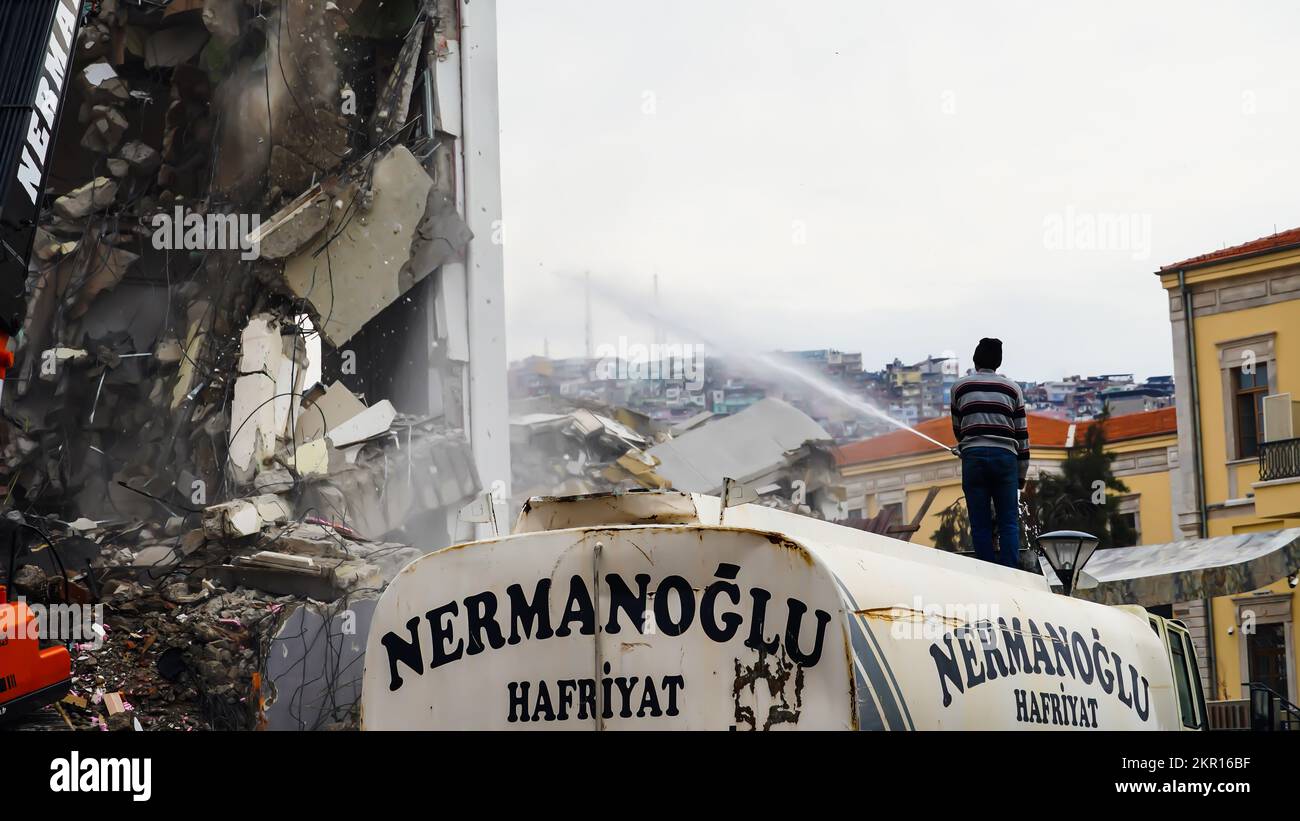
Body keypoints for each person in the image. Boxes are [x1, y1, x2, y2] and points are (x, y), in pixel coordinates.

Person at [950, 338, 1029, 567]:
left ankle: (986, 571)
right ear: (999, 362)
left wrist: (968, 445)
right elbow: (1021, 436)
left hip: (973, 459)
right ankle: (1010, 571)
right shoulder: (1013, 389)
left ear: (975, 359)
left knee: (980, 522)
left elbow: (959, 428)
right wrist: (1020, 478)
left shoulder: (960, 387)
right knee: (1008, 522)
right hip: (1005, 460)